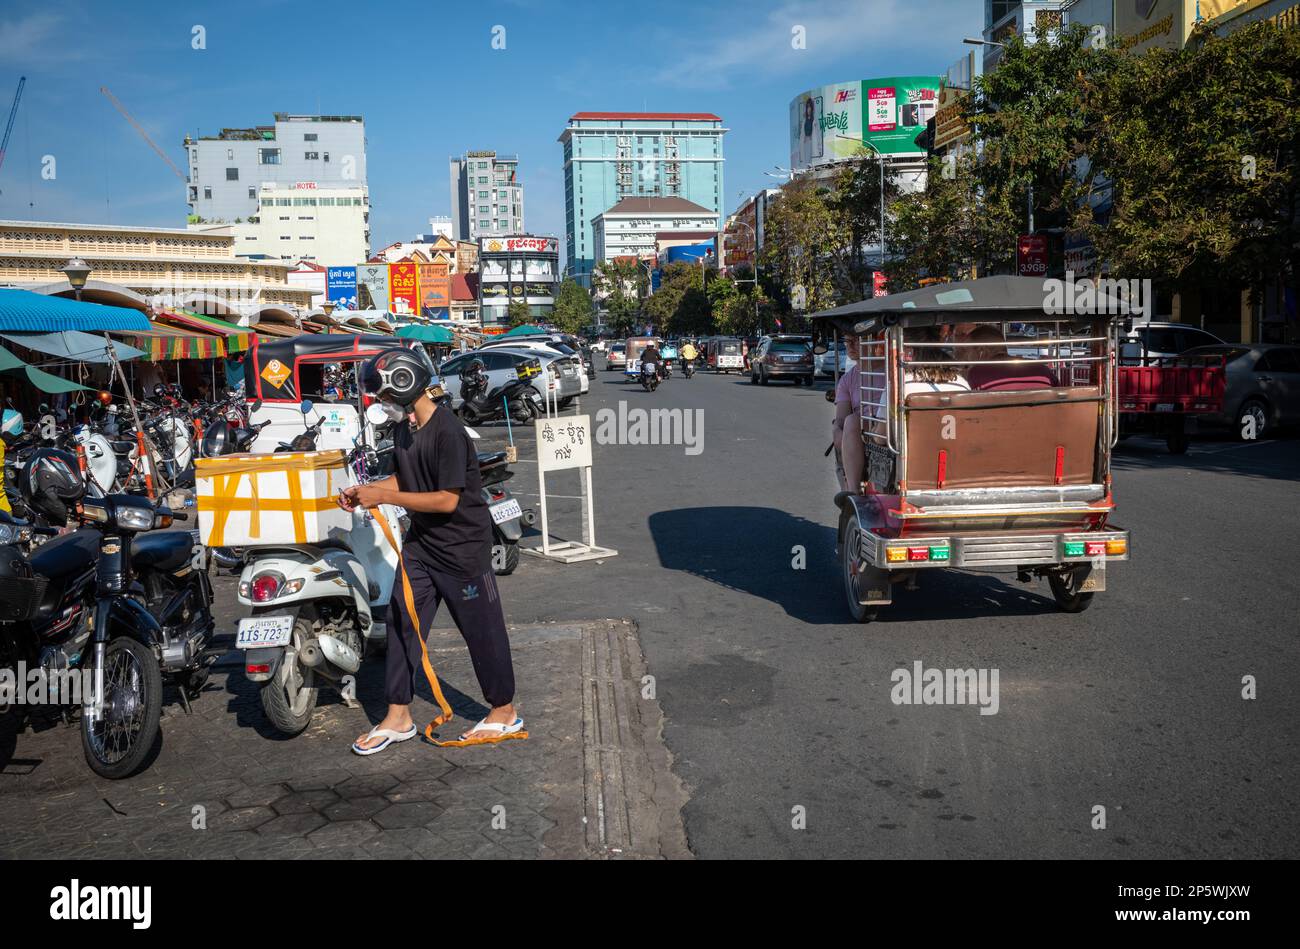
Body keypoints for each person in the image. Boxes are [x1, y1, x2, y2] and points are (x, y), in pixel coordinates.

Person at [340, 348, 524, 755]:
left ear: (404, 383)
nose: (381, 403)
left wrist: (383, 497)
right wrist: (366, 492)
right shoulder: (406, 430)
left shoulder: (448, 432)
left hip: (462, 550)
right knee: (403, 623)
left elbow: (445, 500)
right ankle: (398, 715)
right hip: (422, 547)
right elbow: (405, 479)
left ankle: (504, 711)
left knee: (482, 632)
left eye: (383, 394)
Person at [963, 326, 1057, 391]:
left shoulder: (977, 373)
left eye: (967, 351)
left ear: (981, 351)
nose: (967, 357)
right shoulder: (1043, 370)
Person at [833, 335, 866, 497]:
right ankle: (851, 491)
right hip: (864, 433)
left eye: (856, 341)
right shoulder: (847, 380)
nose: (850, 345)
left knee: (852, 422)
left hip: (886, 428)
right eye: (847, 341)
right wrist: (837, 430)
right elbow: (841, 417)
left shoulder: (893, 372)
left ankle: (853, 492)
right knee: (847, 424)